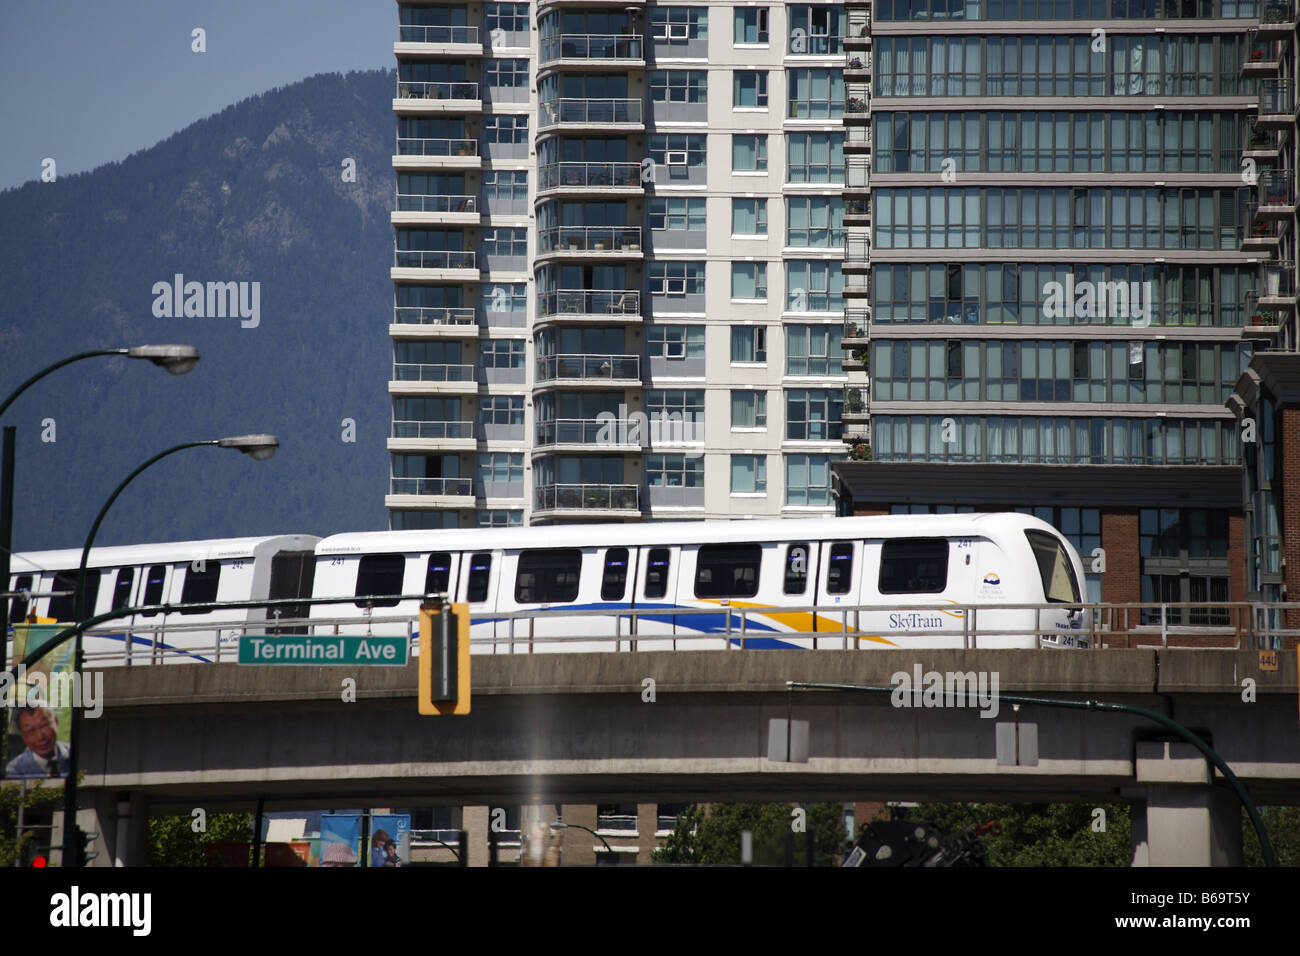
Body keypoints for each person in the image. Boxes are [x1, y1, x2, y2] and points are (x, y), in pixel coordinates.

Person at [4, 706, 70, 778]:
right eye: (31, 731)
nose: (40, 737)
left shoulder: (72, 751)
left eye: (44, 725)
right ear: (23, 736)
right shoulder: (15, 770)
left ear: (56, 722)